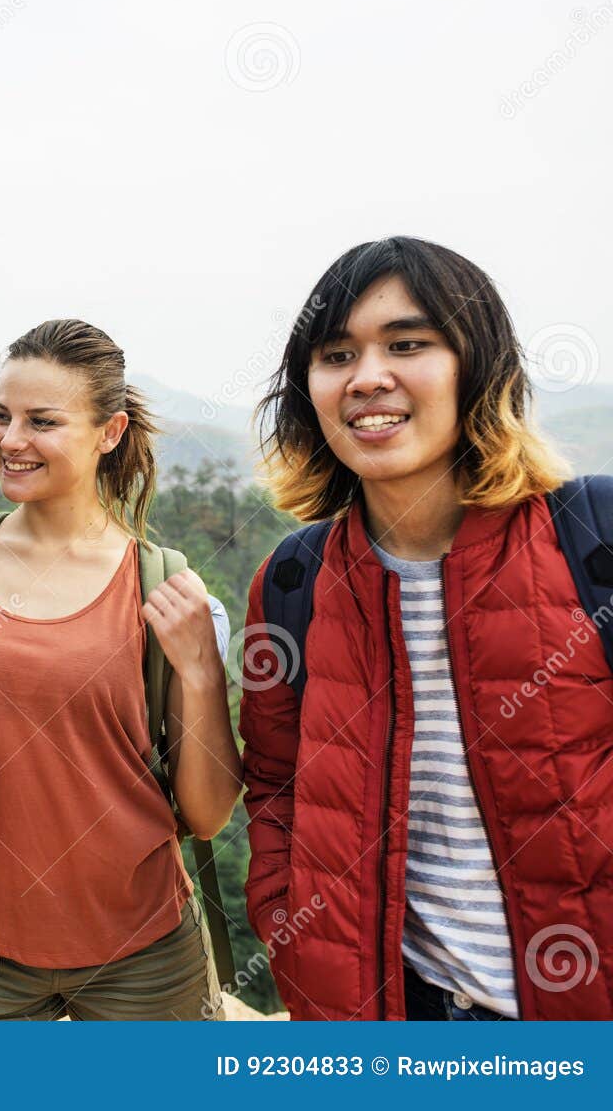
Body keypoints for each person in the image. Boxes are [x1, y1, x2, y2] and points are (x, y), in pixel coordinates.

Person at [241, 237, 613, 1020]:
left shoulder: (595, 536)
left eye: (408, 344)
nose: (368, 377)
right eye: (336, 354)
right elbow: (275, 789)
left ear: (478, 366)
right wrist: (293, 937)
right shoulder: (293, 582)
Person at [0, 319, 240, 1020]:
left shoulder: (160, 586)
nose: (10, 441)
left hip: (146, 949)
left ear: (110, 432)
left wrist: (201, 677)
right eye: (0, 416)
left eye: (42, 421)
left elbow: (206, 813)